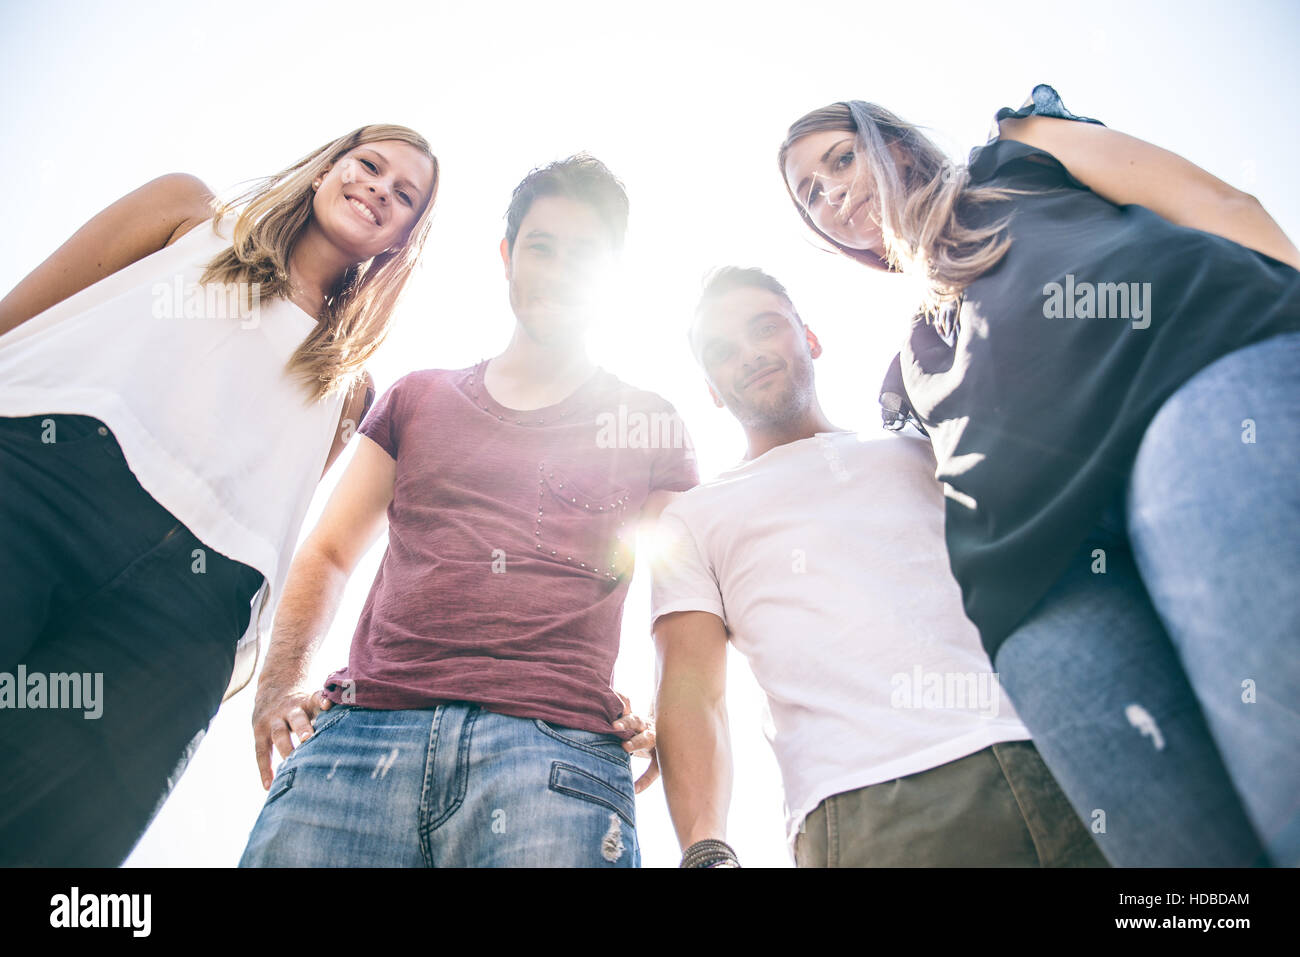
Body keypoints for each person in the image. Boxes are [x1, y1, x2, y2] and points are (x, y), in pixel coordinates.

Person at [777, 83, 1300, 866]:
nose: (830, 194)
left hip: (1188, 398)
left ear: (897, 146)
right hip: (1040, 593)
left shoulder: (1021, 148)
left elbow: (1216, 201)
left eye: (840, 159)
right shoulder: (907, 366)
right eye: (809, 193)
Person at [237, 154, 698, 868]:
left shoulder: (648, 422)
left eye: (585, 255)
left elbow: (688, 593)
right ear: (508, 257)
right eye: (542, 246)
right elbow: (329, 551)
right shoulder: (418, 397)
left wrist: (673, 714)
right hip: (358, 743)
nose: (559, 269)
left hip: (553, 754)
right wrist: (281, 680)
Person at [0, 125, 440, 866]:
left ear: (401, 241)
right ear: (326, 166)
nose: (378, 190)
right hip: (41, 482)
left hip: (184, 619)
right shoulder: (187, 214)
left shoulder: (349, 390)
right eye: (369, 165)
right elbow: (20, 315)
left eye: (405, 196)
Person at [651, 266, 1105, 868]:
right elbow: (691, 693)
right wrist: (706, 850)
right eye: (723, 351)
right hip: (866, 806)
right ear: (711, 387)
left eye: (765, 328)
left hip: (1052, 757)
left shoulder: (923, 449)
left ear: (809, 338)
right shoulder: (692, 518)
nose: (750, 355)